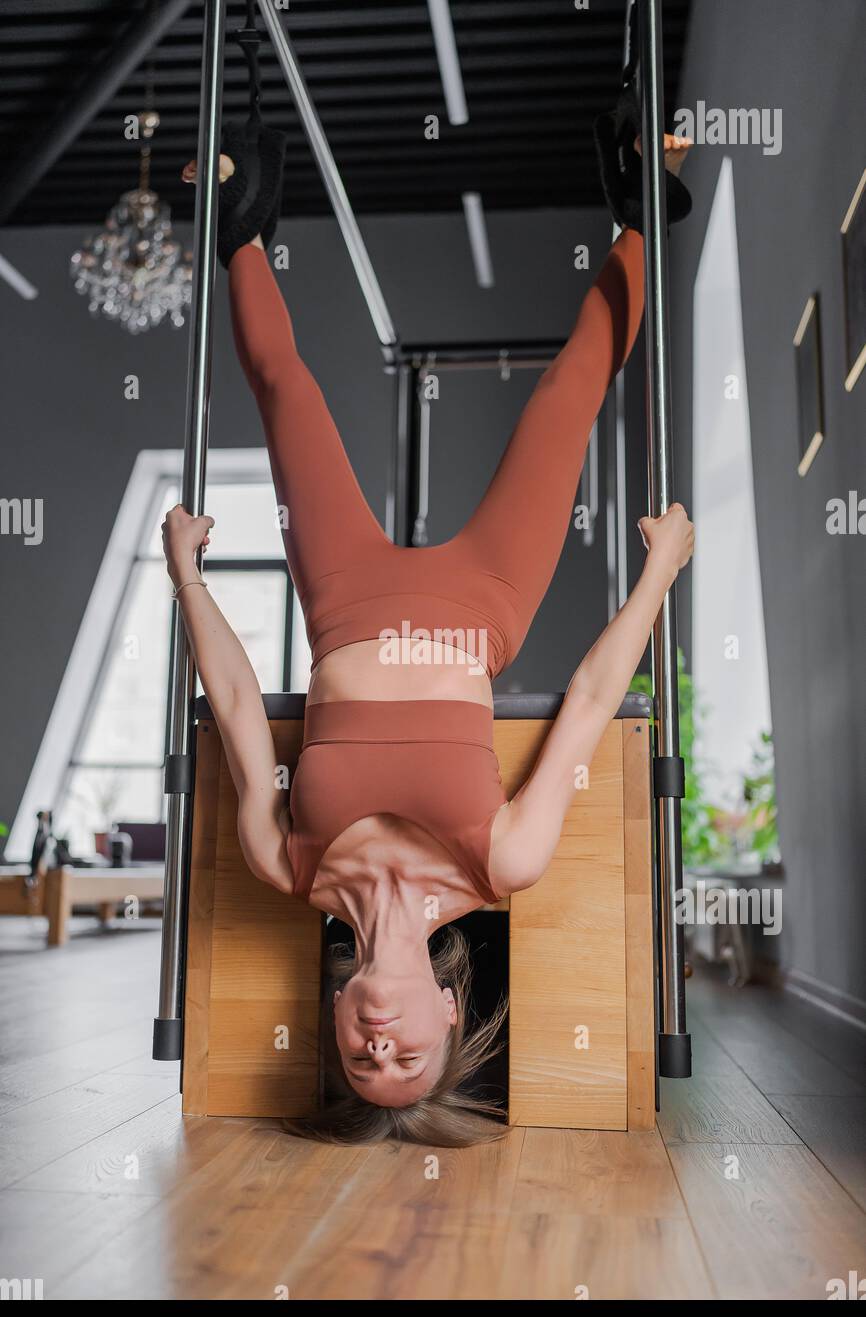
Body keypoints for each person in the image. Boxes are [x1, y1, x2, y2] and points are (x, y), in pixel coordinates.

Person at [164, 82, 694, 1144]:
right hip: (481, 602)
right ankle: (639, 209)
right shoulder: (501, 865)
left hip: (344, 600)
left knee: (285, 389)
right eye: (408, 1058)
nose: (376, 1048)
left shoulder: (290, 866)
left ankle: (239, 211)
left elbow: (227, 696)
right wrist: (658, 576)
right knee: (568, 390)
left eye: (362, 1063)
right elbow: (592, 700)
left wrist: (188, 577)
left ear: (334, 1017)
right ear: (452, 1010)